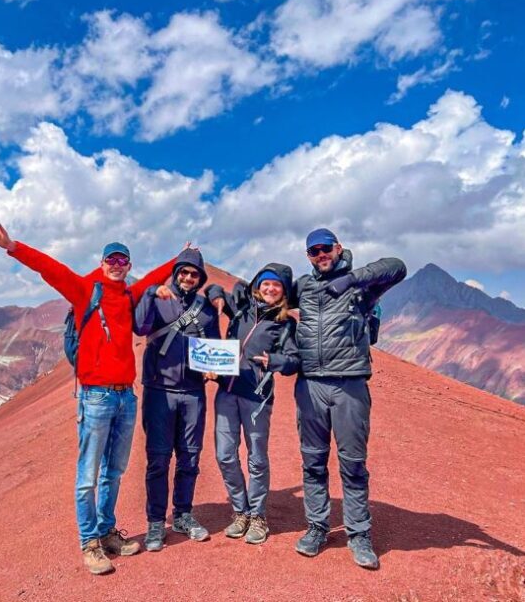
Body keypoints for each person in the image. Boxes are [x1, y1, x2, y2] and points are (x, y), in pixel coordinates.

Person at [0, 223, 179, 576]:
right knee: (88, 474)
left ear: (128, 266)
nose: (116, 265)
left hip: (126, 396)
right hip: (96, 397)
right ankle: (89, 542)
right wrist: (12, 246)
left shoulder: (129, 295)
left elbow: (153, 278)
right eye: (111, 259)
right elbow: (51, 269)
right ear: (102, 263)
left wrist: (182, 258)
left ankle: (106, 532)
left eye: (122, 260)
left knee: (114, 471)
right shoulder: (86, 290)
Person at [292, 228, 406, 569]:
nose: (321, 255)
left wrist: (352, 280)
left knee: (353, 463)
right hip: (310, 386)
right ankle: (317, 527)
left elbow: (397, 267)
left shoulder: (362, 286)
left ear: (338, 248)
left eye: (326, 248)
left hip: (350, 385)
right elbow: (267, 294)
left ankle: (358, 533)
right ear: (308, 256)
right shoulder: (304, 286)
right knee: (313, 462)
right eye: (314, 251)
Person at [204, 263, 300, 545]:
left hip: (257, 398)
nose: (270, 288)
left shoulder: (285, 324)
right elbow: (213, 288)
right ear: (258, 286)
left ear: (284, 291)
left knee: (256, 459)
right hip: (226, 393)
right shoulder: (241, 309)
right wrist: (216, 295)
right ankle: (240, 511)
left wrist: (275, 361)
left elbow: (294, 360)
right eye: (266, 283)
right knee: (225, 455)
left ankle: (258, 516)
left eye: (277, 285)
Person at [133, 248, 221, 552]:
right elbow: (140, 326)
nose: (188, 277)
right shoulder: (159, 298)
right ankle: (156, 521)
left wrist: (214, 369)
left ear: (200, 278)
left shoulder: (205, 308)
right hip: (159, 391)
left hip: (193, 393)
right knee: (158, 460)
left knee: (190, 458)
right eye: (183, 272)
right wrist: (149, 293)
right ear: (175, 273)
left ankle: (183, 515)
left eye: (194, 274)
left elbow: (215, 344)